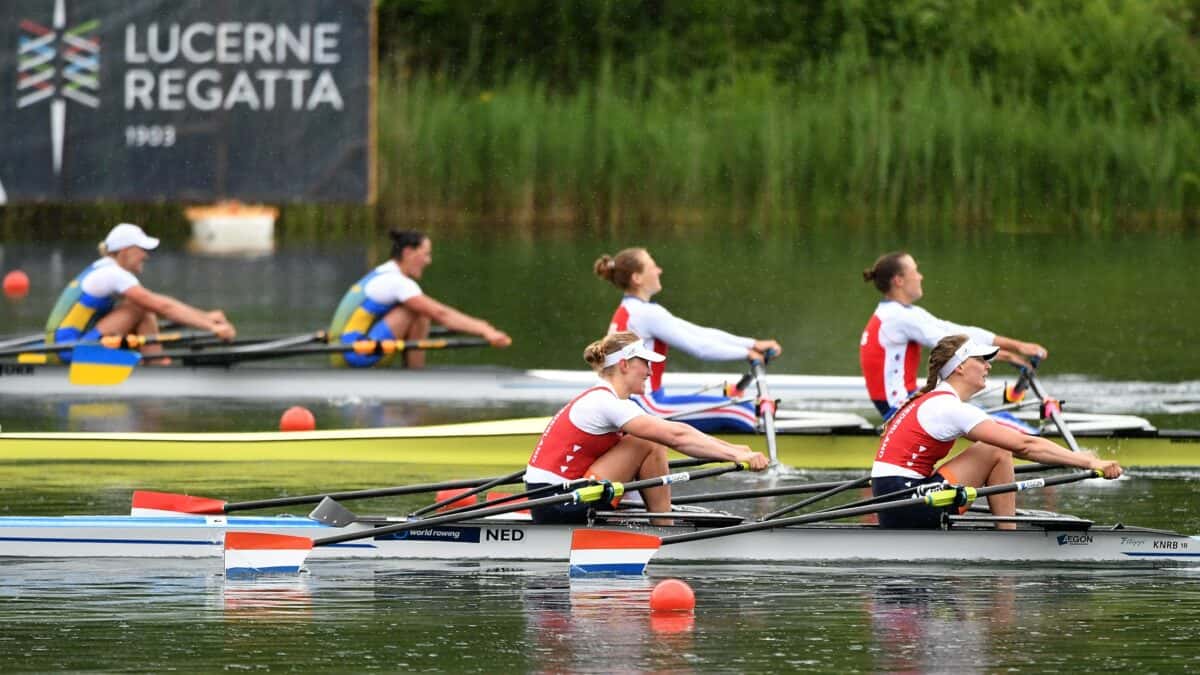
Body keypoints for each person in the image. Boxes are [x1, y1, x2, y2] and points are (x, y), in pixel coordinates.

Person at [871, 334, 1121, 529]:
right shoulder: (948, 406)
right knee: (997, 449)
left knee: (997, 449)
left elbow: (1021, 448)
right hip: (908, 503)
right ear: (959, 367)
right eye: (980, 360)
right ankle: (1007, 537)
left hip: (894, 500)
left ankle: (1005, 529)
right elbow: (1025, 446)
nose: (987, 366)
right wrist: (1089, 461)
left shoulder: (932, 401)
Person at [524, 331, 770, 525]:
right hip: (559, 503)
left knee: (647, 440)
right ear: (624, 365)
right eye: (645, 363)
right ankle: (663, 525)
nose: (650, 372)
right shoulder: (604, 402)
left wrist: (734, 449)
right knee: (649, 441)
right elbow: (676, 436)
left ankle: (658, 518)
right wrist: (736, 455)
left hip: (556, 497)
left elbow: (676, 432)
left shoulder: (607, 400)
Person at [596, 247, 782, 432]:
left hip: (634, 402)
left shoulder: (632, 310)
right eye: (652, 266)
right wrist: (747, 354)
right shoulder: (645, 314)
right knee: (742, 411)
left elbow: (699, 333)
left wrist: (752, 345)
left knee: (744, 409)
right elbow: (700, 348)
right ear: (637, 278)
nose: (659, 270)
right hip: (645, 406)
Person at [860, 251, 1048, 419]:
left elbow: (955, 331)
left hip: (907, 404)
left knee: (990, 416)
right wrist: (1010, 357)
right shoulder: (898, 317)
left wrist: (1018, 346)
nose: (920, 276)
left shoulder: (902, 313)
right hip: (899, 410)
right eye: (915, 271)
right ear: (899, 281)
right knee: (1000, 424)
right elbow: (955, 346)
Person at [45, 223, 236, 361]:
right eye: (141, 249)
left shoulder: (103, 268)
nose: (146, 255)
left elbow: (161, 304)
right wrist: (211, 326)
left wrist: (205, 317)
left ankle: (155, 364)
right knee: (141, 307)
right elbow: (163, 306)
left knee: (140, 308)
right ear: (125, 251)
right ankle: (157, 366)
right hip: (68, 350)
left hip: (67, 345)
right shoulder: (113, 274)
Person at [327, 229, 511, 368]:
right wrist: (485, 330)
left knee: (420, 311)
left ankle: (414, 373)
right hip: (354, 354)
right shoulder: (397, 282)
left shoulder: (382, 273)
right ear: (408, 253)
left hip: (342, 350)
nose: (428, 261)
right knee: (419, 311)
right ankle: (415, 376)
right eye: (426, 254)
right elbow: (441, 314)